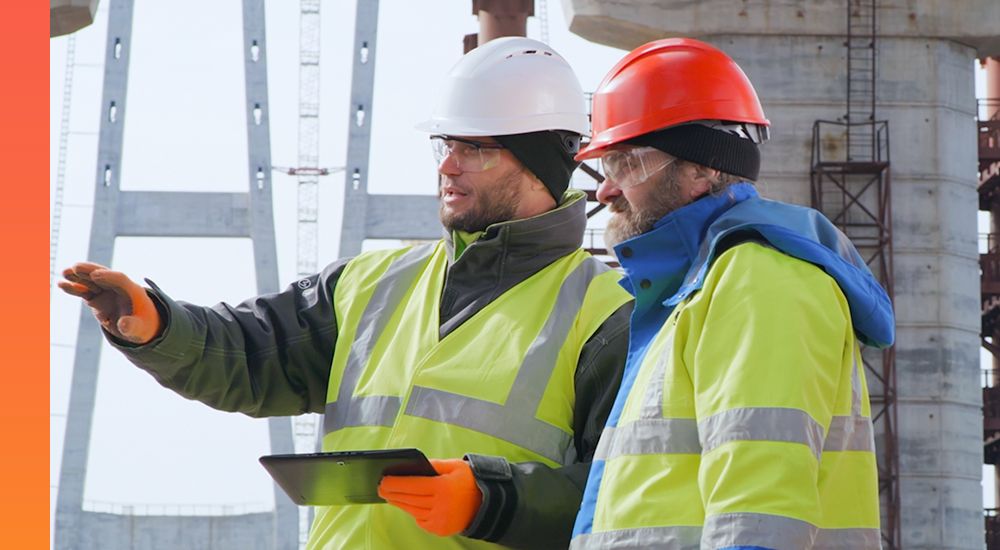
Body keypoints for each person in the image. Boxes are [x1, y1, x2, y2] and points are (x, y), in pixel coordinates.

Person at [59, 37, 632, 549]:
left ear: (540, 166)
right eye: (445, 145)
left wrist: (492, 499)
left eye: (475, 149)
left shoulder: (607, 314)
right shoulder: (371, 284)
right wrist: (157, 325)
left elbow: (620, 490)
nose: (449, 167)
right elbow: (251, 353)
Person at [567, 38, 895, 550]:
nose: (606, 190)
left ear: (703, 169)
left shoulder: (760, 279)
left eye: (627, 164)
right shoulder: (689, 295)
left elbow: (759, 515)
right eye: (606, 167)